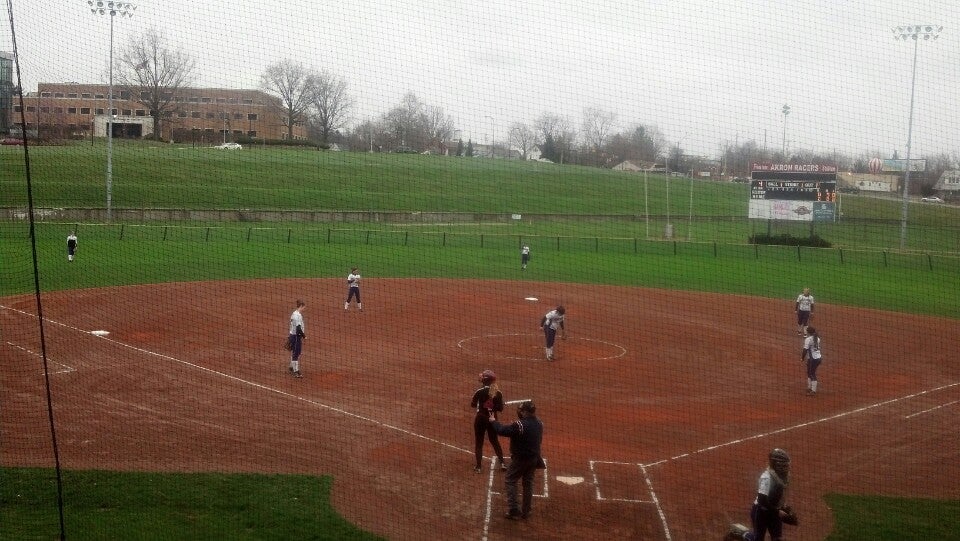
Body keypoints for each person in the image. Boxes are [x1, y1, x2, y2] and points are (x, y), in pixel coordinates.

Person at [491, 400, 544, 520]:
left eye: (521, 410)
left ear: (525, 412)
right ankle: (526, 511)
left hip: (521, 459)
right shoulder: (540, 423)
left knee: (510, 480)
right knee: (528, 483)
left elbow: (502, 431)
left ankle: (514, 510)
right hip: (534, 458)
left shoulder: (519, 424)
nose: (519, 412)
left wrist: (494, 422)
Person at [726, 448, 793, 541]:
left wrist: (784, 506)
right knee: (757, 539)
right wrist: (778, 512)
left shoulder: (783, 476)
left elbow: (780, 493)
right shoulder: (766, 478)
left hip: (774, 511)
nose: (786, 468)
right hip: (761, 512)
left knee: (777, 538)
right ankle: (738, 533)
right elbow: (762, 501)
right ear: (776, 465)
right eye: (783, 465)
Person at [470, 369, 507, 473]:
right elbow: (500, 409)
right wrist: (496, 405)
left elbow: (473, 404)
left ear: (485, 380)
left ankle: (478, 467)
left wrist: (481, 404)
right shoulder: (497, 392)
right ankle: (503, 463)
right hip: (492, 419)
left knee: (479, 442)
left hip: (481, 418)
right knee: (494, 441)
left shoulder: (479, 391)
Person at [801, 327, 823, 396]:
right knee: (809, 372)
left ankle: (813, 390)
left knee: (811, 373)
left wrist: (802, 358)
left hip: (812, 359)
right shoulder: (817, 338)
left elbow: (805, 350)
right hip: (818, 358)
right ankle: (809, 387)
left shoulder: (808, 339)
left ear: (808, 332)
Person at [287, 300, 306, 378]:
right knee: (296, 353)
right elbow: (298, 328)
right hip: (296, 336)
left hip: (293, 335)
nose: (304, 309)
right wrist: (304, 336)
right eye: (304, 307)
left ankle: (292, 366)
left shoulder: (294, 313)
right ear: (301, 306)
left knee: (295, 352)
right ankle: (296, 371)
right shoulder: (297, 315)